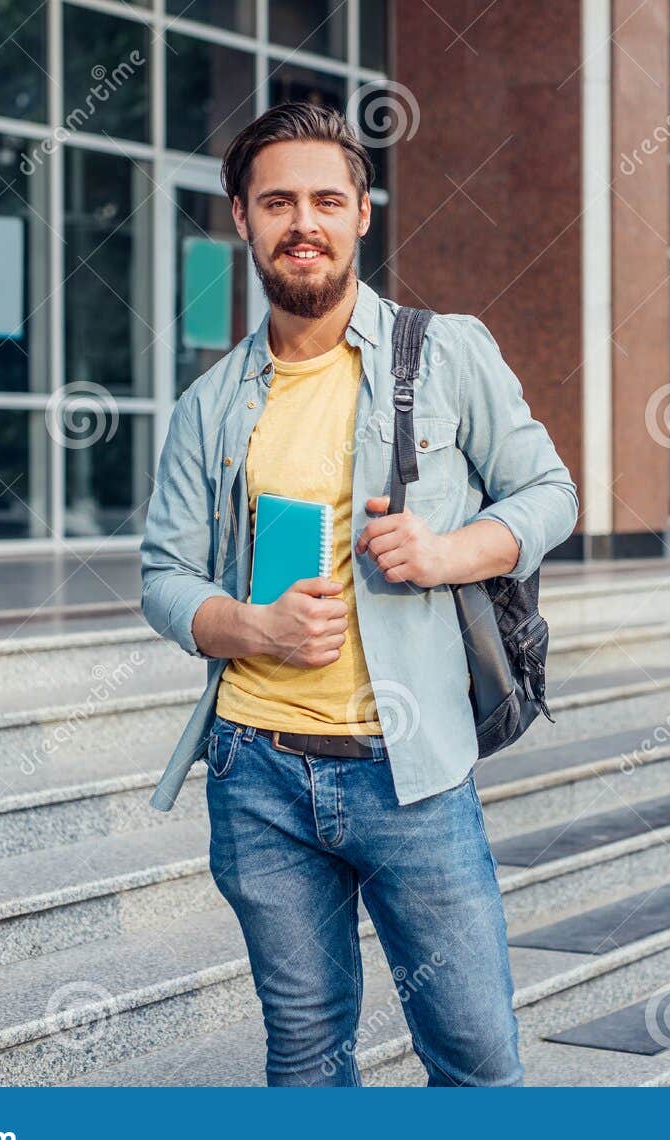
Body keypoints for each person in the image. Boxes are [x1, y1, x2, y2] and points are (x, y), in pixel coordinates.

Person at [139, 101, 578, 1086]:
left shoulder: (445, 351)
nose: (305, 221)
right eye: (278, 200)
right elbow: (163, 578)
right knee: (303, 1060)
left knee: (476, 1060)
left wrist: (448, 550)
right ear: (243, 220)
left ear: (363, 214)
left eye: (327, 199)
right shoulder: (209, 404)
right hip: (255, 778)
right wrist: (251, 623)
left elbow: (552, 494)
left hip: (411, 773)